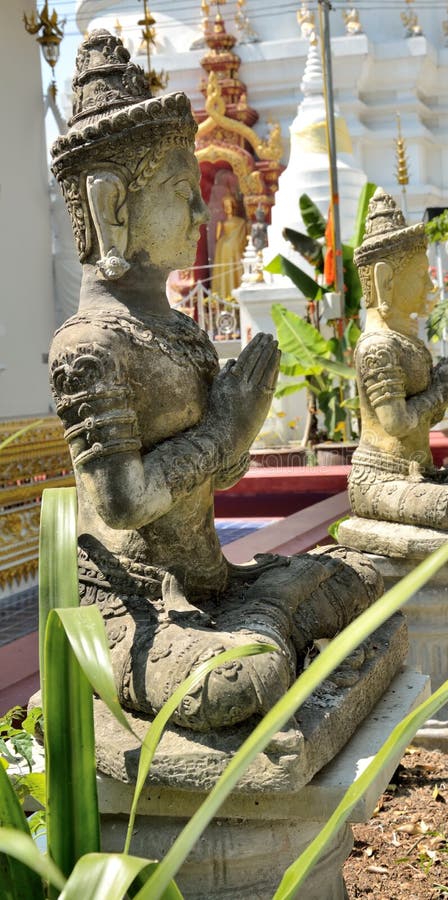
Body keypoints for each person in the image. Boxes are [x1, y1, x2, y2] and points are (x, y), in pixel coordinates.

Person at [49, 30, 380, 732]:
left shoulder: (181, 333)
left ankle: (260, 625)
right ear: (112, 208)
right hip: (129, 610)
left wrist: (241, 421)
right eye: (180, 190)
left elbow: (221, 476)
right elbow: (122, 500)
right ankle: (259, 637)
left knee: (355, 579)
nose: (203, 214)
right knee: (244, 677)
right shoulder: (88, 348)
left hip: (211, 585)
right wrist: (221, 431)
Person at [349, 189, 448, 531]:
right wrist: (446, 381)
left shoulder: (407, 342)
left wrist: (446, 380)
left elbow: (427, 414)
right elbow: (397, 423)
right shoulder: (377, 346)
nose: (430, 287)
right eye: (422, 277)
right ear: (384, 280)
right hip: (380, 478)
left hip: (421, 472)